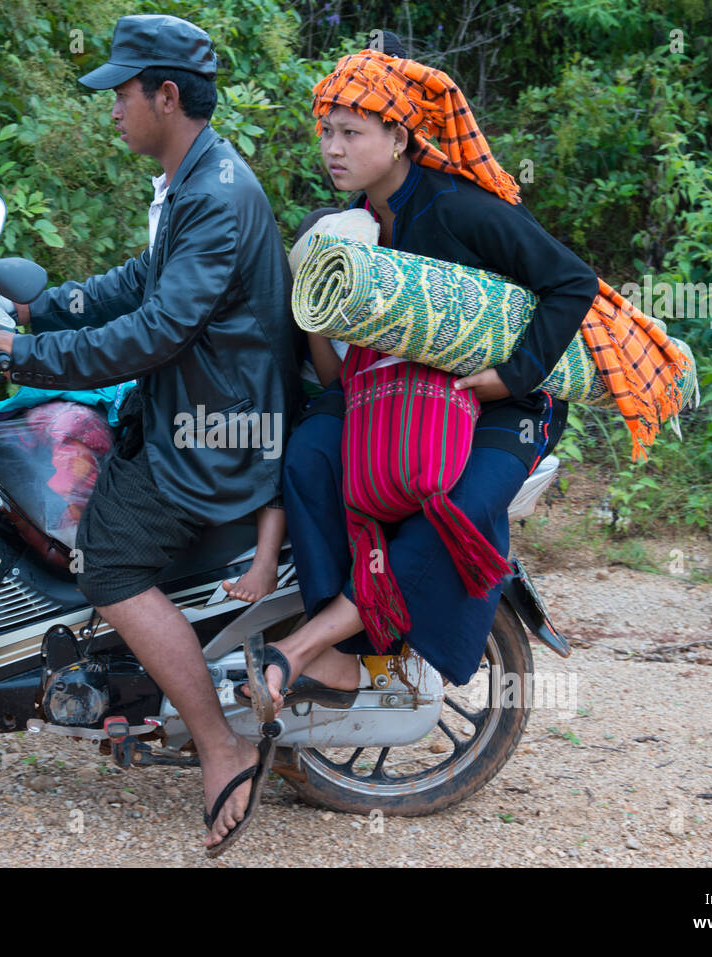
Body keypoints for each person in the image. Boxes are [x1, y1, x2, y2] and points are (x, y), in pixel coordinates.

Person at [0, 14, 299, 854]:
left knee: (108, 559)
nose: (112, 106)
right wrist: (36, 309)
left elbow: (158, 328)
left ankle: (219, 742)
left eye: (122, 91)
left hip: (213, 429)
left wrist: (28, 354)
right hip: (195, 406)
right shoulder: (191, 180)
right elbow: (137, 283)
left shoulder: (216, 197)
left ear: (165, 94)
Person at [244, 39, 602, 716]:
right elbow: (340, 362)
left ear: (400, 135)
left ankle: (303, 647)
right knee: (312, 455)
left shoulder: (458, 208)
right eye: (326, 131)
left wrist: (511, 376)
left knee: (461, 509)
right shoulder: (353, 225)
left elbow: (571, 281)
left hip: (510, 398)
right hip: (405, 392)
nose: (333, 148)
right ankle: (349, 659)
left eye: (352, 132)